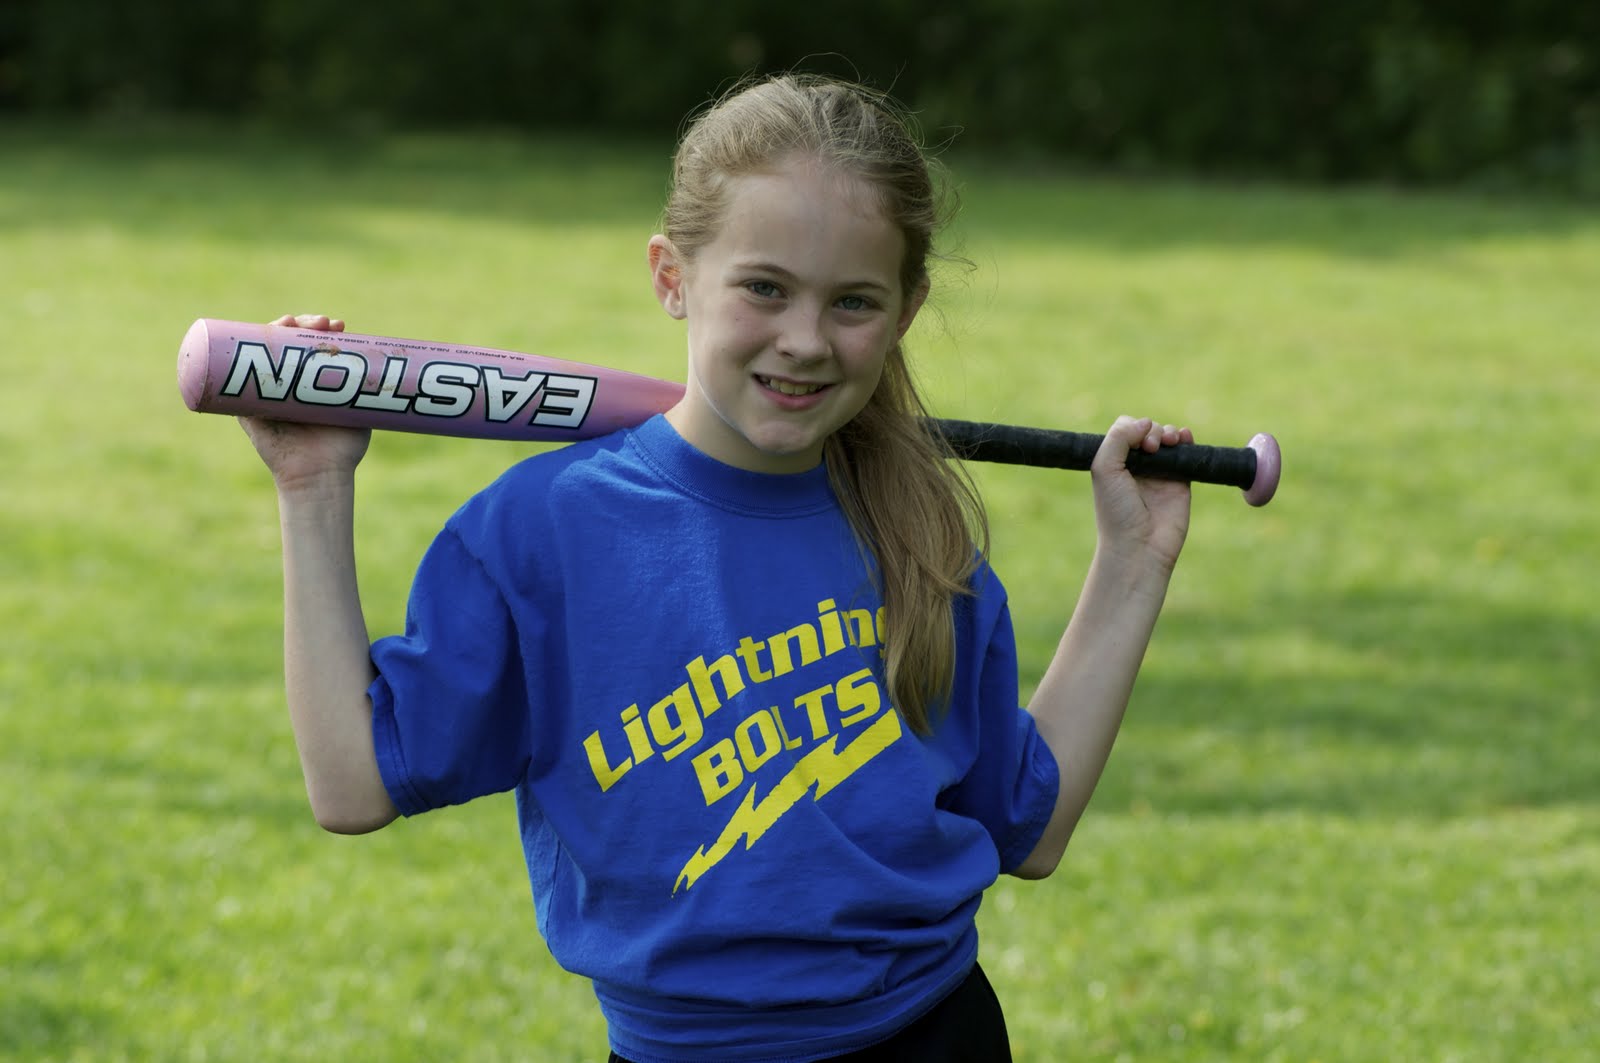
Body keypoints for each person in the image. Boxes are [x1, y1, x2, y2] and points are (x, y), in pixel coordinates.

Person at [239, 72, 1194, 1063]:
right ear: (670, 275)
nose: (805, 342)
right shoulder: (541, 534)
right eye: (763, 287)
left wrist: (1135, 559)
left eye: (853, 302)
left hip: (931, 1034)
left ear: (906, 310)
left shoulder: (916, 530)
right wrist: (313, 492)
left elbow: (1023, 828)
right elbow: (352, 786)